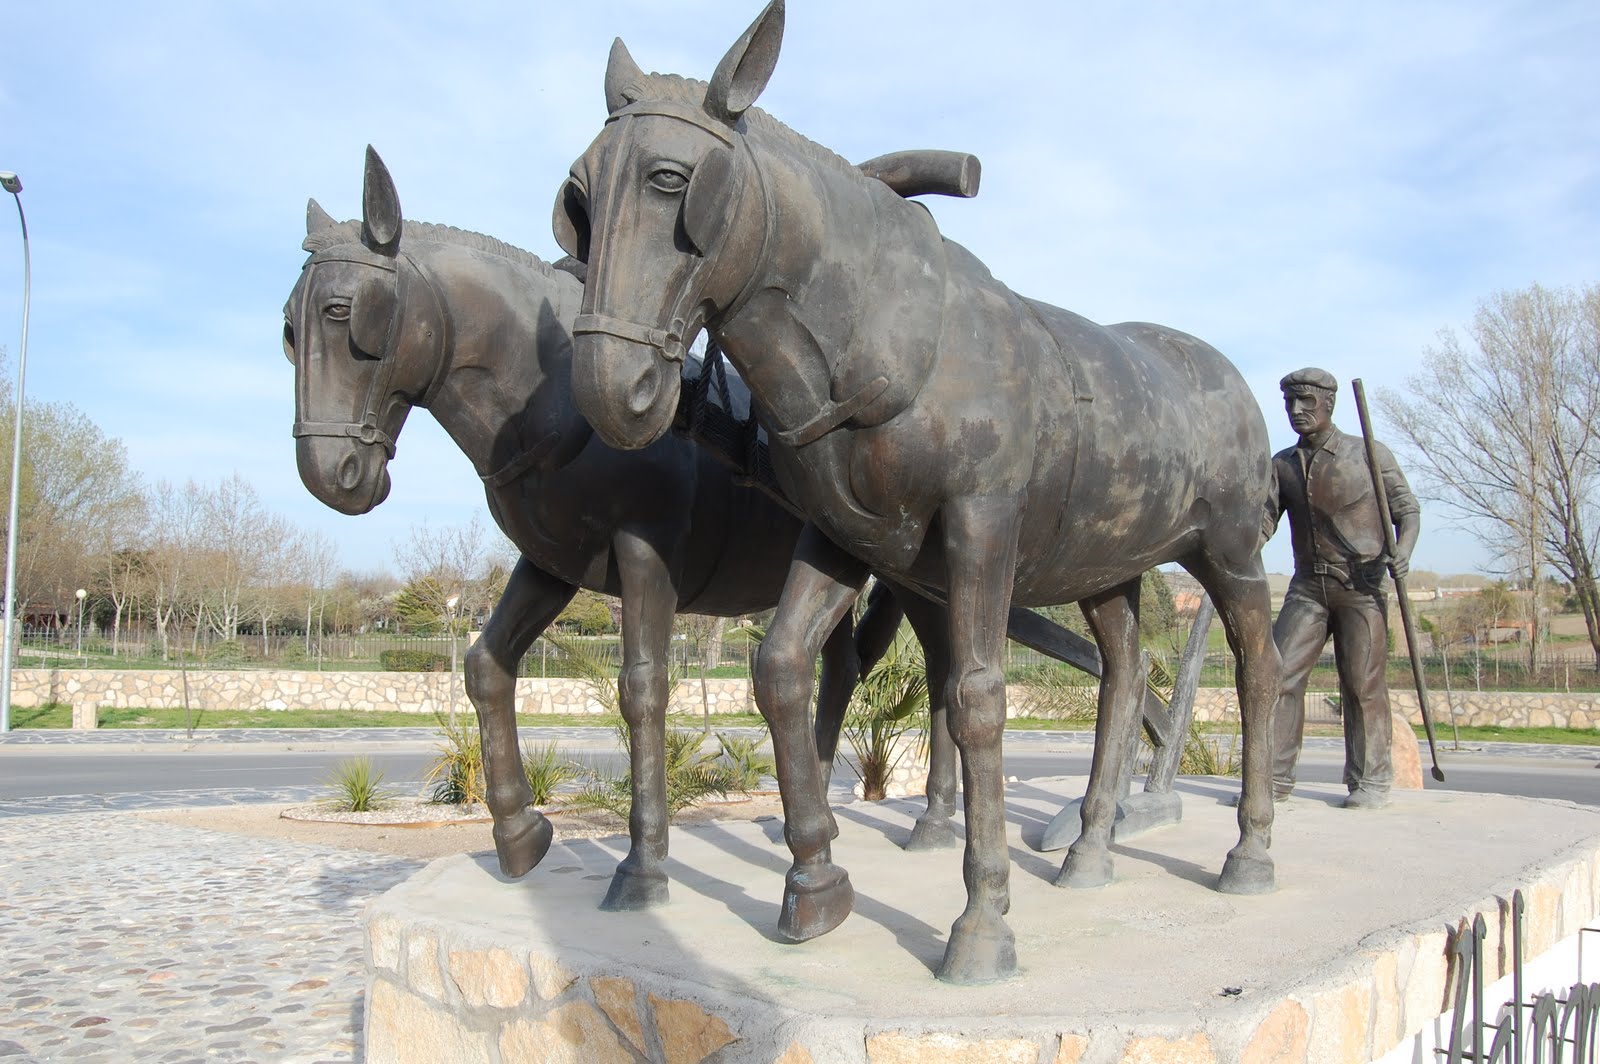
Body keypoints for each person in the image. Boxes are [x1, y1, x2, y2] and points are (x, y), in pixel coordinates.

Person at [1263, 367, 1420, 809]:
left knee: (1362, 683)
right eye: (1290, 402)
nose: (1297, 410)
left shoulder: (1368, 454)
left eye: (1306, 402)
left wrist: (1403, 551)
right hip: (1307, 589)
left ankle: (1369, 780)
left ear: (1328, 404)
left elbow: (1407, 511)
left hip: (1361, 586)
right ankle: (1272, 779)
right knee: (1278, 675)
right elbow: (1264, 520)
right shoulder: (1282, 464)